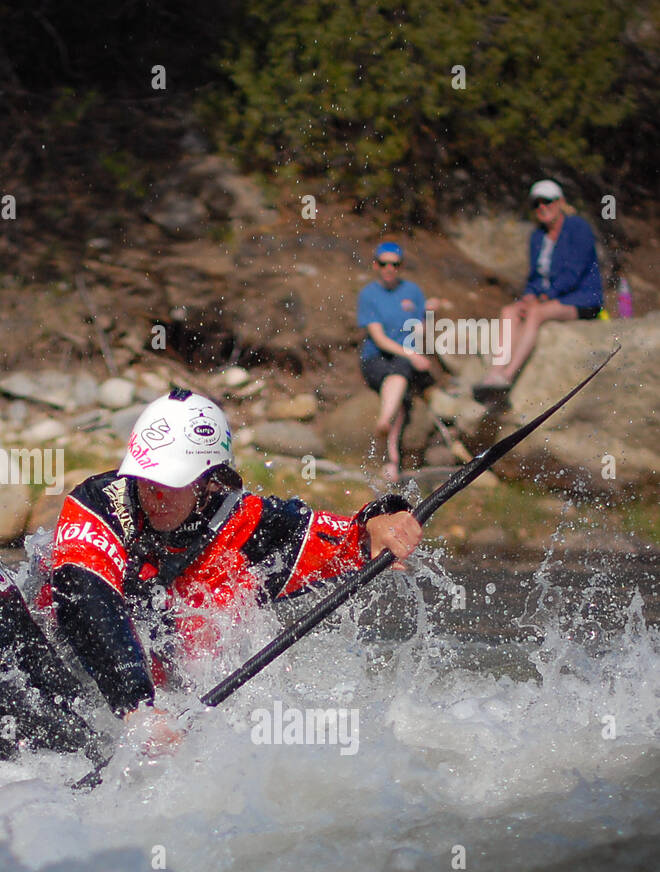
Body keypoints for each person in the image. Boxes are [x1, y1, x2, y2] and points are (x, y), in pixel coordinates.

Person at [47, 389, 423, 722]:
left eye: (171, 482)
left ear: (209, 480)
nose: (155, 495)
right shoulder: (98, 505)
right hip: (69, 679)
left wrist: (378, 526)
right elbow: (84, 598)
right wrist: (138, 708)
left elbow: (346, 540)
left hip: (172, 700)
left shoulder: (250, 525)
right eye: (147, 478)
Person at [474, 179, 603, 399]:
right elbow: (534, 277)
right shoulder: (537, 236)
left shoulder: (578, 227)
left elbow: (573, 273)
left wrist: (542, 298)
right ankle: (494, 373)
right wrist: (529, 296)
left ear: (560, 202)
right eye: (537, 203)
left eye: (548, 202)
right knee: (509, 311)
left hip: (580, 299)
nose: (542, 207)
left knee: (535, 312)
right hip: (547, 298)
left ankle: (508, 375)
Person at [356, 241, 439, 483]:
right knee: (399, 382)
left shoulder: (412, 291)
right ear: (376, 265)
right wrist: (410, 354)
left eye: (395, 264)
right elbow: (379, 338)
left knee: (401, 386)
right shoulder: (369, 295)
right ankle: (391, 457)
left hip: (404, 360)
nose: (389, 268)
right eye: (384, 264)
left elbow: (421, 329)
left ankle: (388, 445)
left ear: (401, 266)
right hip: (377, 357)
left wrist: (431, 313)